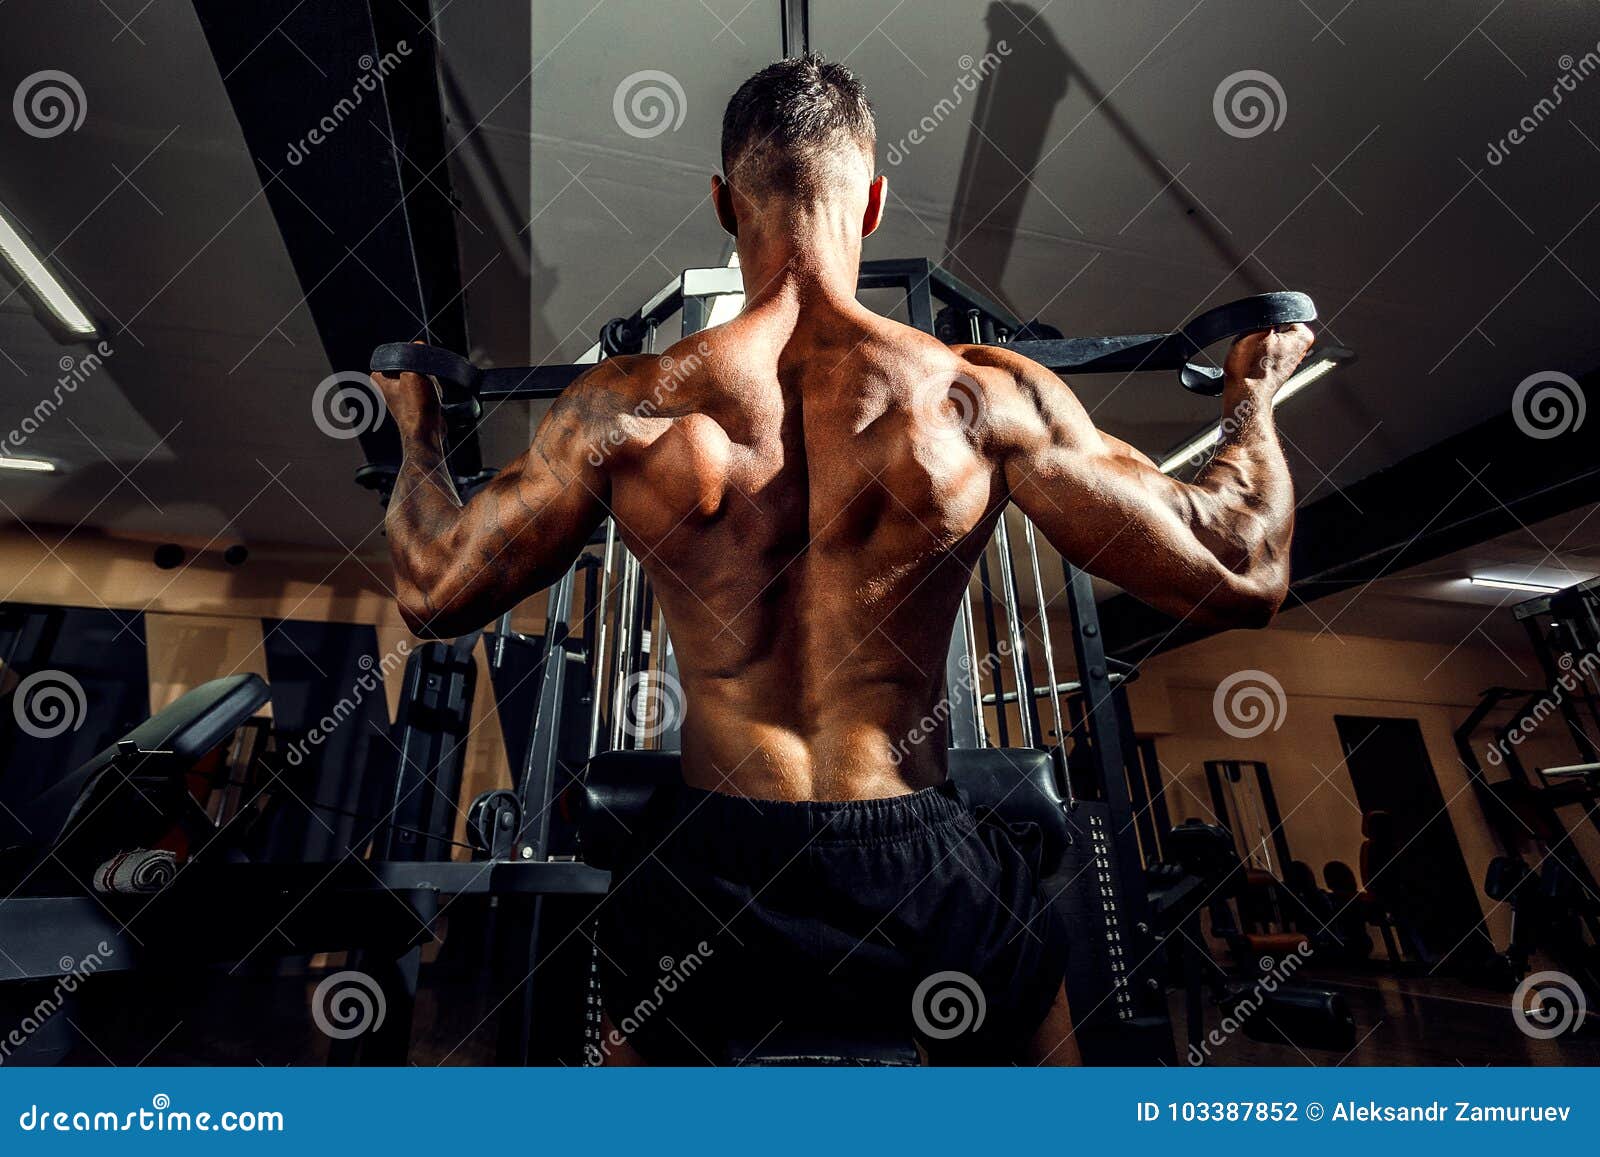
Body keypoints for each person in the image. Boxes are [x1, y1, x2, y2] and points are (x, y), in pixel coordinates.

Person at [372, 54, 1313, 1065]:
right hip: (915, 870)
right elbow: (1241, 568)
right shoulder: (979, 395)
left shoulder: (628, 405)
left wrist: (418, 437)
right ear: (871, 205)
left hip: (711, 869)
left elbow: (431, 587)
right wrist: (1248, 400)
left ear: (724, 204)